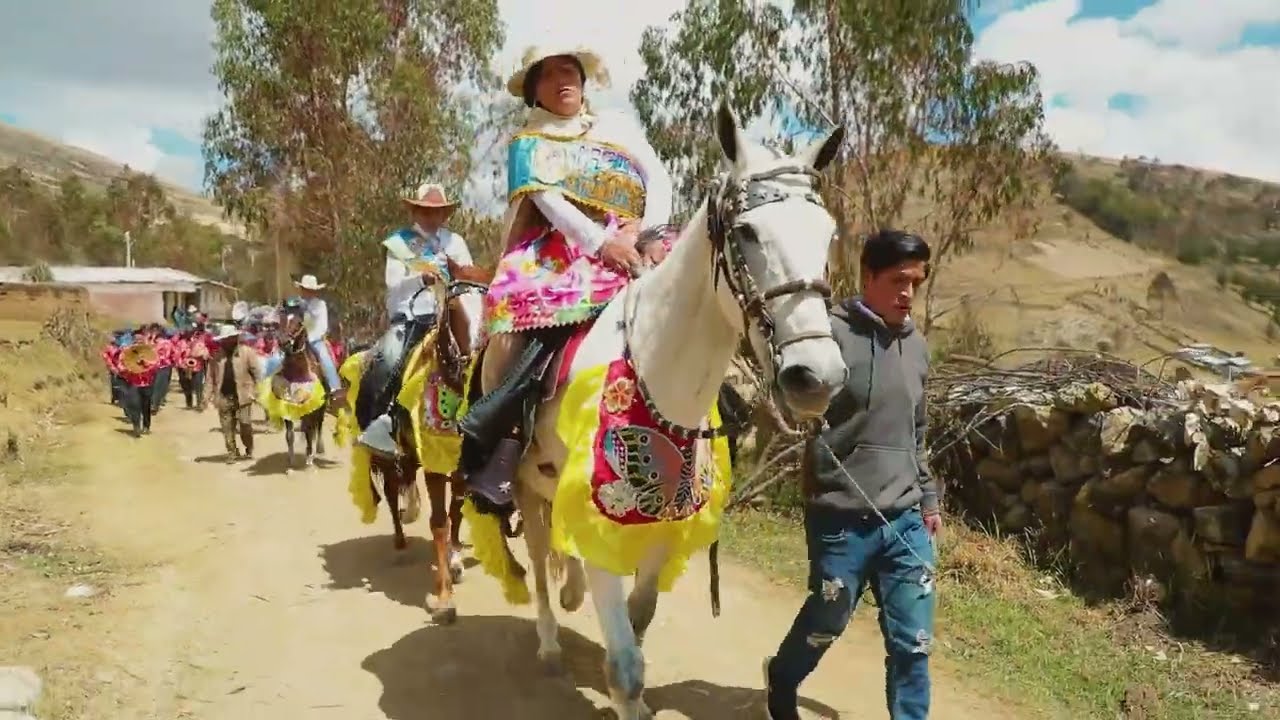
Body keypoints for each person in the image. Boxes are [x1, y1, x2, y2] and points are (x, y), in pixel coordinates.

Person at [460, 45, 672, 499]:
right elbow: (547, 201)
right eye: (552, 73)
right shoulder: (528, 141)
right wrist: (601, 243)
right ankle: (509, 437)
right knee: (530, 318)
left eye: (571, 70)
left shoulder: (615, 130)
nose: (564, 79)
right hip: (560, 251)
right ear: (535, 89)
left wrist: (649, 233)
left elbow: (658, 177)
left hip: (636, 240)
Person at [762, 230, 942, 720]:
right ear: (868, 277)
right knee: (828, 620)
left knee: (913, 643)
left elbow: (916, 431)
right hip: (840, 516)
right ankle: (782, 676)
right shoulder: (829, 334)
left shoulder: (919, 347)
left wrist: (928, 499)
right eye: (897, 281)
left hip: (905, 520)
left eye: (916, 284)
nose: (908, 293)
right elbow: (790, 397)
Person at [355, 182, 475, 455]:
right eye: (425, 212)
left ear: (445, 214)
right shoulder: (401, 243)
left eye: (437, 212)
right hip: (411, 316)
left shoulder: (456, 243)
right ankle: (379, 423)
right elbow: (392, 282)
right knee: (388, 359)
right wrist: (420, 278)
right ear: (415, 213)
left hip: (450, 314)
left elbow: (466, 277)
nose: (431, 218)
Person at [205, 324, 260, 461]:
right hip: (224, 394)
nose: (228, 342)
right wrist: (206, 396)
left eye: (230, 338)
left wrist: (257, 391)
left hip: (243, 395)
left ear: (236, 338)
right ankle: (232, 451)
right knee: (227, 426)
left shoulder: (247, 353)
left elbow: (257, 374)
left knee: (245, 424)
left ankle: (249, 447)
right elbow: (210, 378)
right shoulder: (216, 357)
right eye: (225, 339)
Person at [293, 275, 344, 403]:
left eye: (309, 290)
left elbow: (321, 325)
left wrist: (310, 336)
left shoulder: (320, 305)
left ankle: (335, 387)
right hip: (301, 336)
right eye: (304, 289)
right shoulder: (298, 303)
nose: (306, 292)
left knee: (324, 356)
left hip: (316, 337)